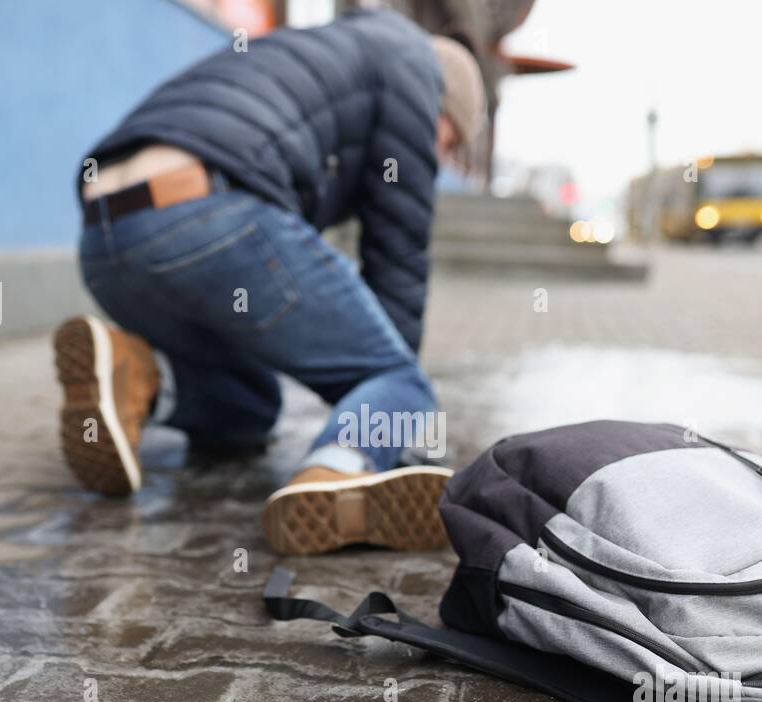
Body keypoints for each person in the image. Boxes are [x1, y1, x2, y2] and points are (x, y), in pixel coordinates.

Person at [54, 8, 485, 556]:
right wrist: (386, 401)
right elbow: (397, 252)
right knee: (401, 383)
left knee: (250, 408)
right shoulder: (414, 65)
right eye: (449, 144)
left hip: (107, 239)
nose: (440, 158)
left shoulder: (316, 50)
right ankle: (337, 473)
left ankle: (133, 374)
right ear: (446, 109)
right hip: (208, 216)